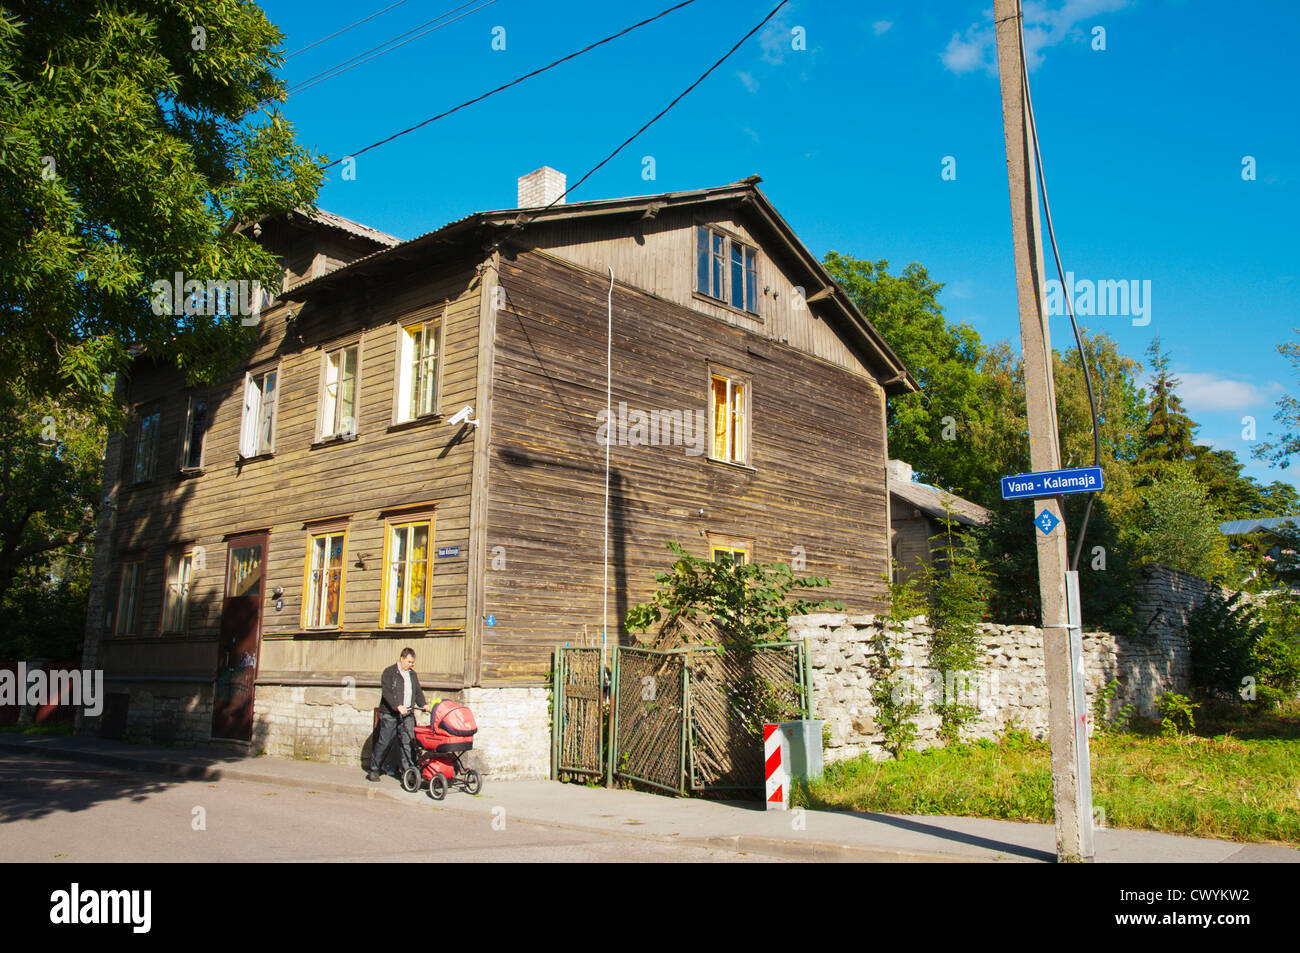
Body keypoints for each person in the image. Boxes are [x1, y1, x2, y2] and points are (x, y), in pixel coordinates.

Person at [367, 648, 431, 781]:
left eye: (413, 663)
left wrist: (423, 704)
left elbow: (417, 692)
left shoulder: (412, 674)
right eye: (409, 662)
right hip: (390, 714)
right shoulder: (389, 672)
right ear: (402, 659)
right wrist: (397, 706)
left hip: (407, 714)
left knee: (407, 742)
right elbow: (387, 693)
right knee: (385, 742)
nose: (411, 665)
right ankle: (374, 769)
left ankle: (407, 772)